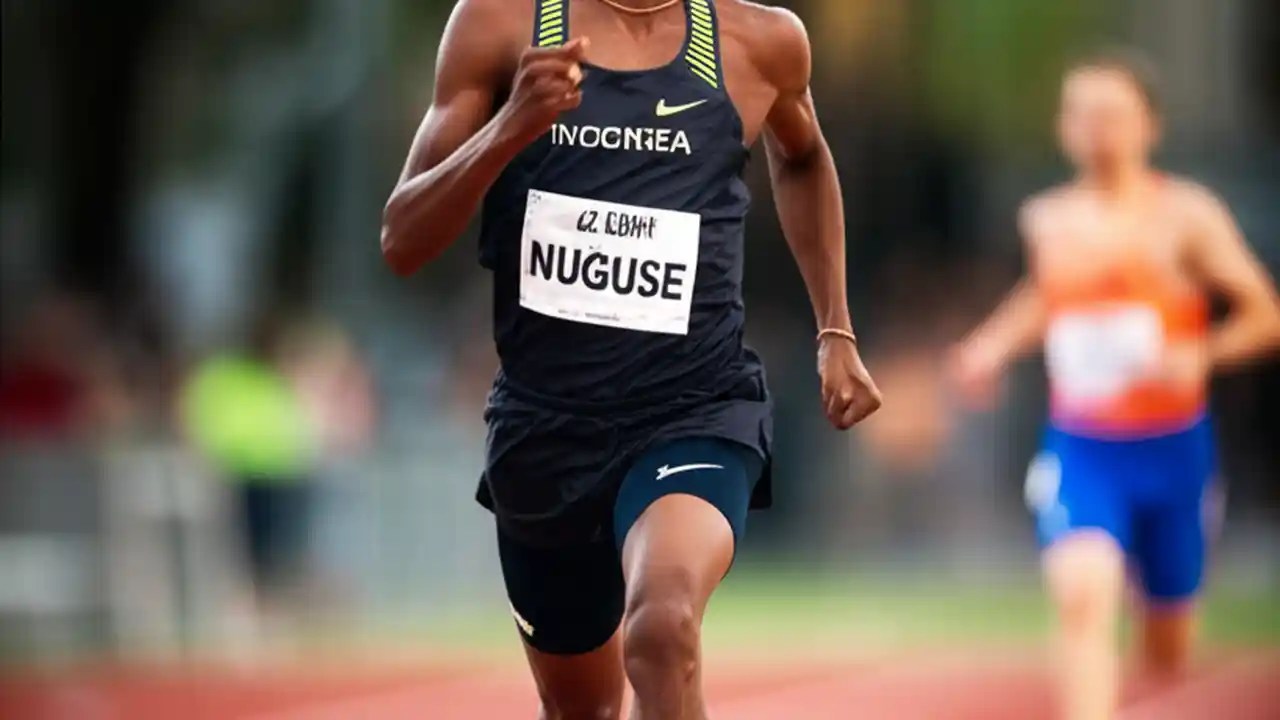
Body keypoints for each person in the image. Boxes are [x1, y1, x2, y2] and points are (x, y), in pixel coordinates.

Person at [381, 0, 881, 717]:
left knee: (663, 626)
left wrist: (835, 329)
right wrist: (510, 127)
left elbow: (802, 155)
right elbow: (402, 240)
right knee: (581, 708)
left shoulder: (759, 40)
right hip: (544, 431)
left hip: (693, 409)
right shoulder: (497, 24)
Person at [951, 51, 1280, 720]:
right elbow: (1048, 297)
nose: (1097, 128)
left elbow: (1264, 315)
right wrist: (989, 344)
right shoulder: (1047, 218)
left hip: (1174, 451)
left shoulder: (1186, 215)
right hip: (1082, 447)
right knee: (1082, 596)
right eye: (1082, 113)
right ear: (1064, 127)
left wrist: (1203, 353)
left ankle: (1166, 612)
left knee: (1168, 648)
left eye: (1113, 114)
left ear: (1148, 125)